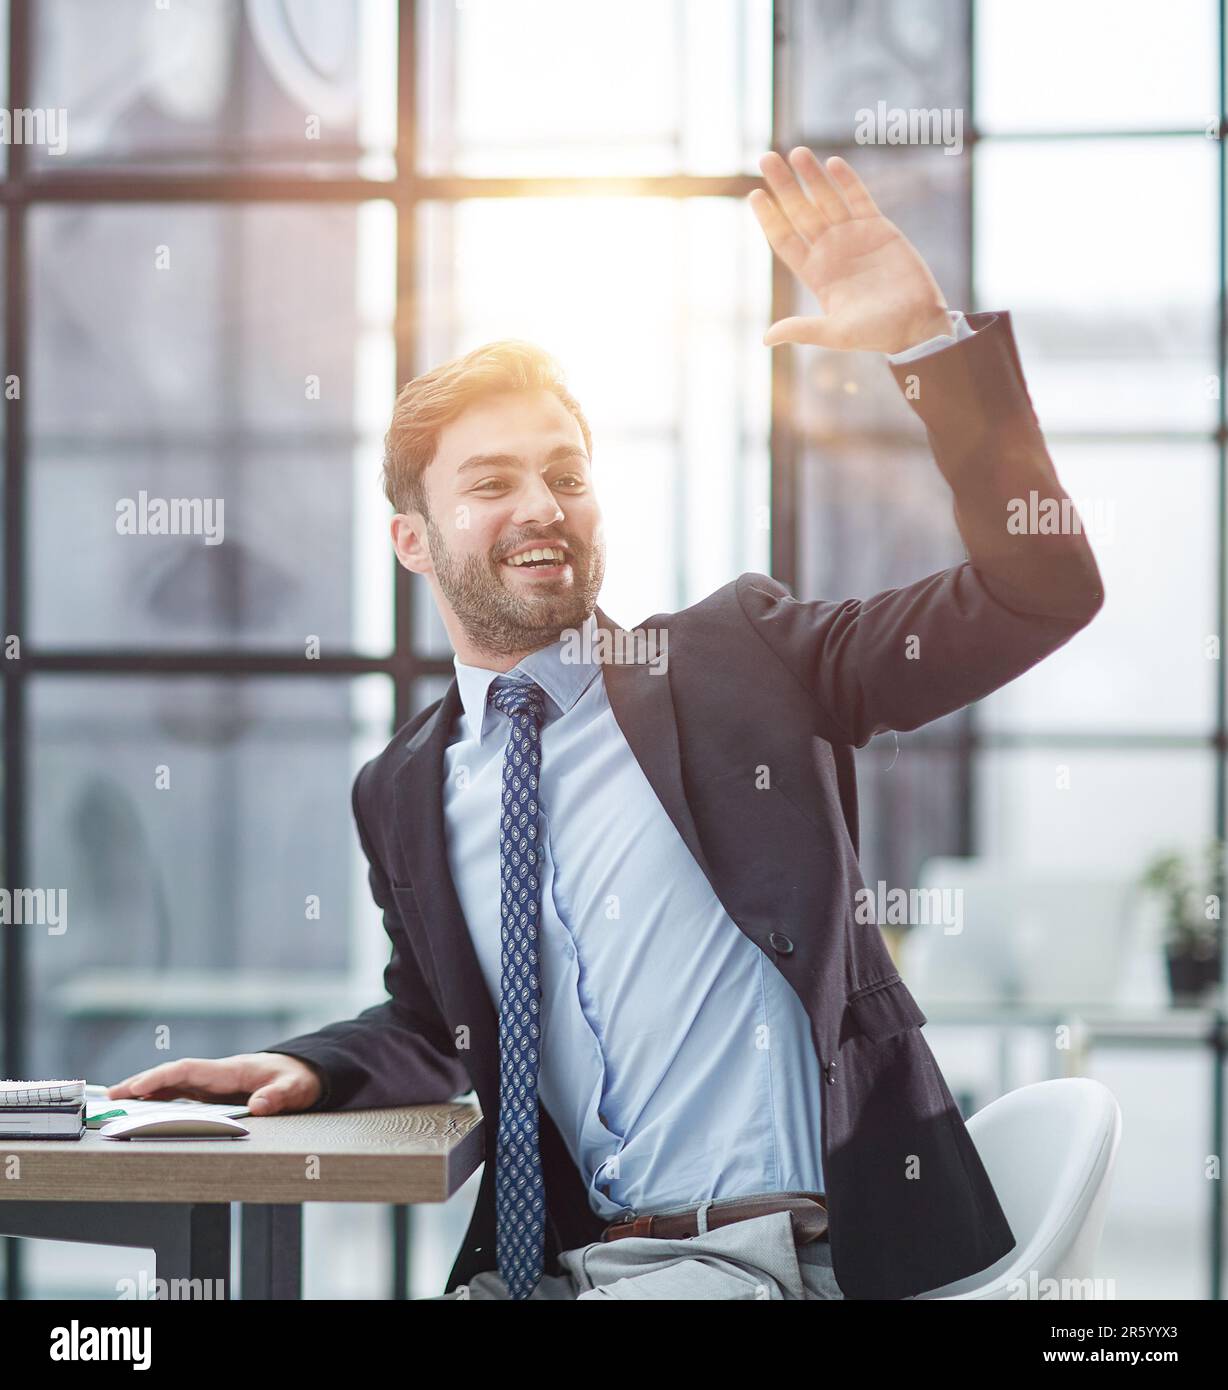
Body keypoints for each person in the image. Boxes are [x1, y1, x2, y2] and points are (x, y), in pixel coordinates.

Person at [107, 147, 1104, 1300]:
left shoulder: (742, 658)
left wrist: (927, 343)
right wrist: (301, 1064)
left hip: (797, 1255)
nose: (541, 506)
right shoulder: (403, 786)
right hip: (582, 1264)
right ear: (412, 540)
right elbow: (436, 1023)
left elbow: (1041, 593)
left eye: (565, 474)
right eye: (489, 484)